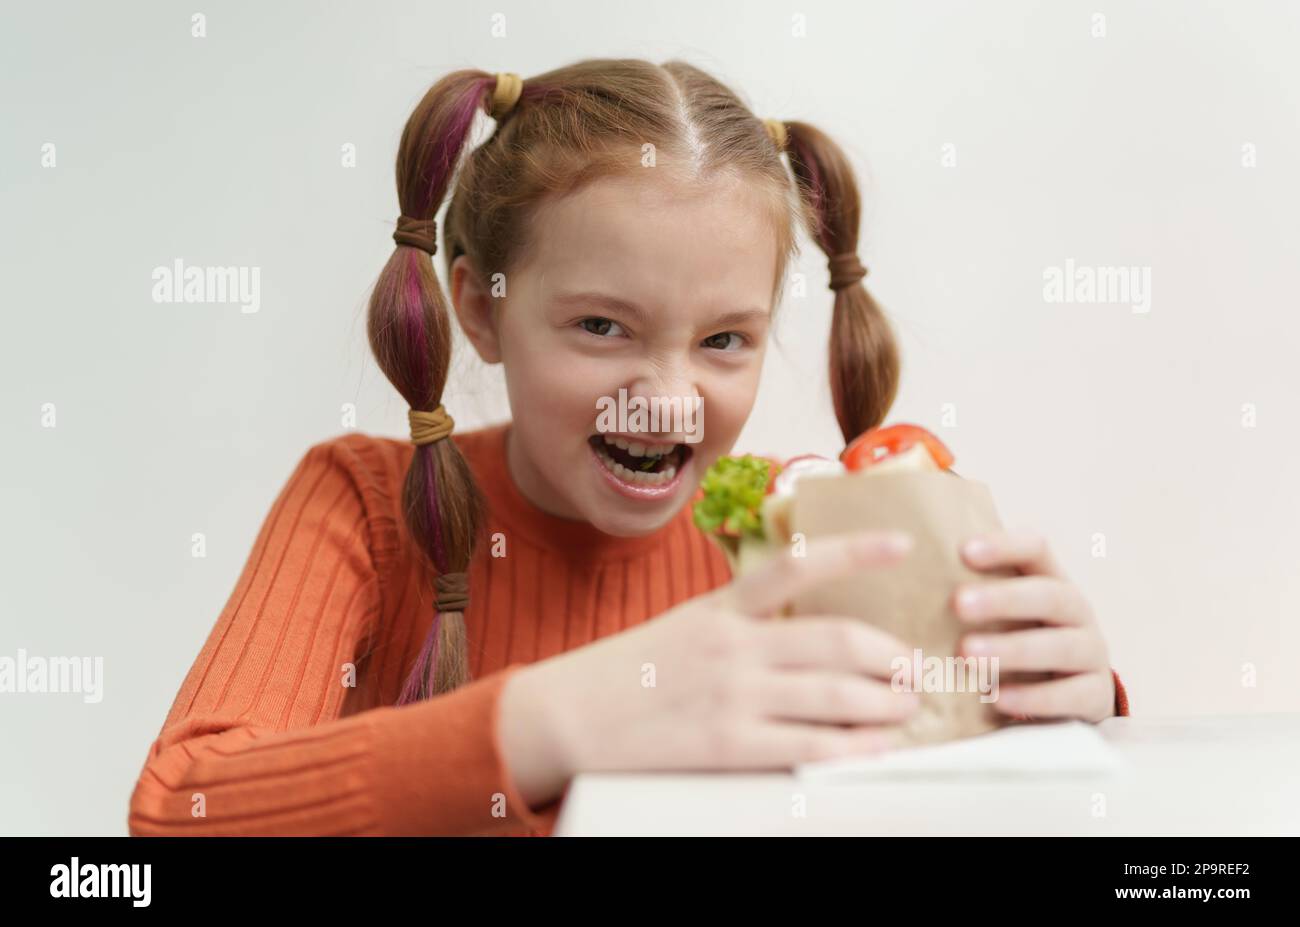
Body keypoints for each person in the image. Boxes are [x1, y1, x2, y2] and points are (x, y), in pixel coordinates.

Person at [128, 60, 1128, 838]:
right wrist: (560, 718)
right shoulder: (364, 504)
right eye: (602, 327)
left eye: (723, 340)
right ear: (481, 311)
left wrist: (1054, 699)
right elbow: (179, 807)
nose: (666, 399)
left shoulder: (800, 534)